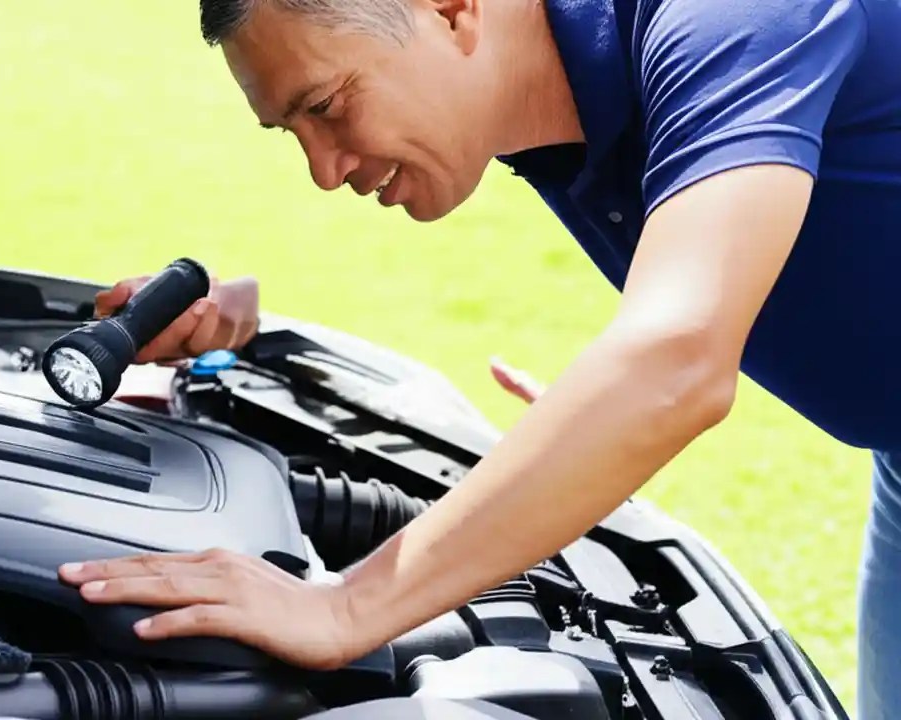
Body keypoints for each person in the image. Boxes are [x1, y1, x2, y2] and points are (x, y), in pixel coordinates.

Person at [56, 0, 901, 715]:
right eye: (292, 131)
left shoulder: (725, 17)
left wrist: (349, 605)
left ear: (454, 6)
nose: (322, 169)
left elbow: (675, 359)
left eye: (327, 105)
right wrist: (244, 323)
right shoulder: (547, 98)